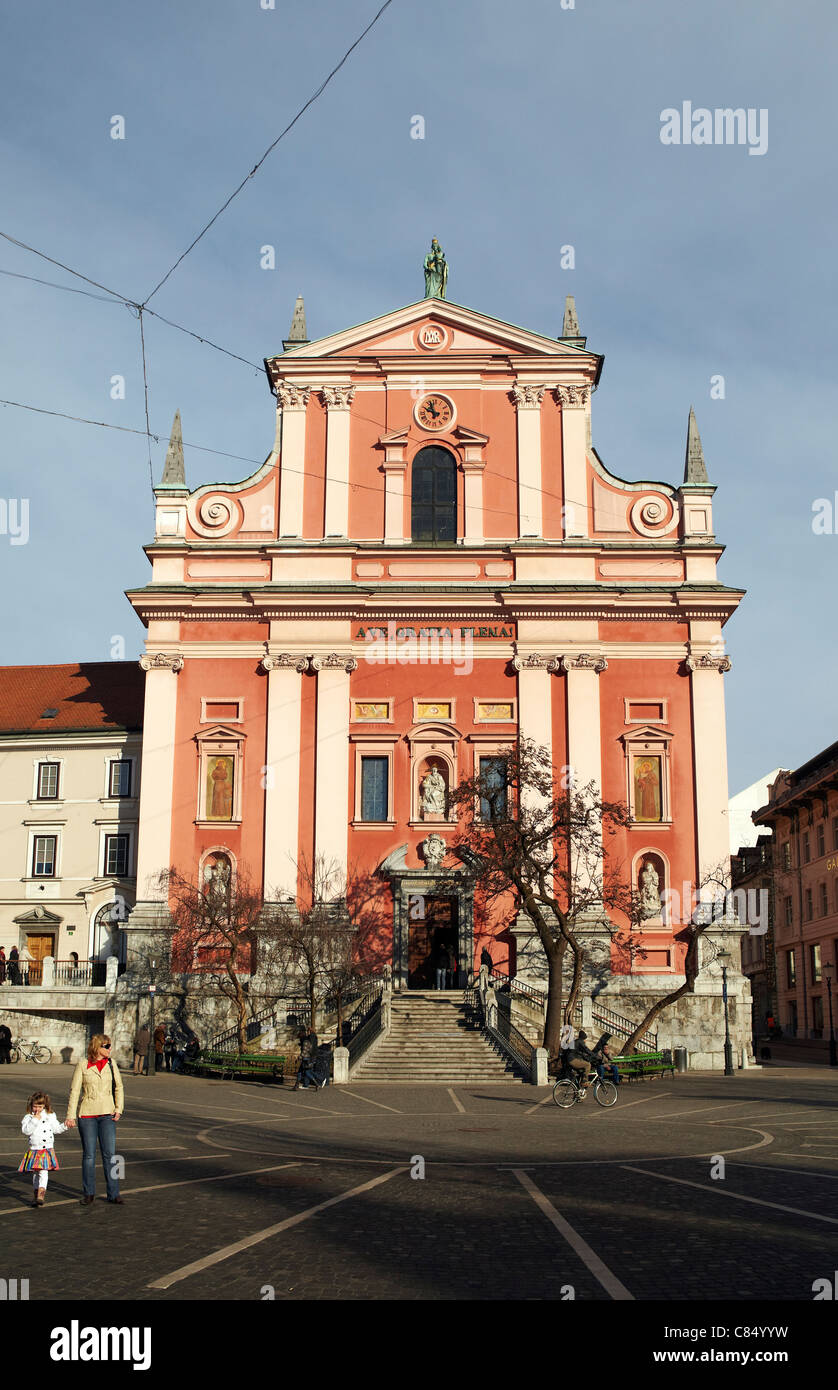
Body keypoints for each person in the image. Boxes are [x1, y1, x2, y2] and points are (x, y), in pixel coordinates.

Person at [65, 1033, 124, 1205]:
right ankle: (88, 1193)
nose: (109, 1049)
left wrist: (118, 1109)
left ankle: (114, 1193)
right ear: (97, 1047)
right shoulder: (83, 1065)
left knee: (111, 1155)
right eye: (106, 1046)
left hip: (107, 1113)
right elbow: (75, 1091)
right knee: (89, 1156)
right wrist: (70, 1115)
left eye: (110, 1046)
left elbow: (119, 1087)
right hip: (88, 1114)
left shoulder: (112, 1065)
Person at [19, 1091, 66, 1207]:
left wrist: (65, 1125)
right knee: (36, 1173)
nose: (37, 1109)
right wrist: (34, 1119)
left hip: (47, 1149)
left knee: (43, 1172)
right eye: (35, 1106)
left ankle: (41, 1195)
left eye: (40, 1106)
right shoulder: (28, 1117)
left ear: (44, 1105)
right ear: (31, 1105)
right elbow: (26, 1131)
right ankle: (36, 1195)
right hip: (35, 1149)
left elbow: (56, 1129)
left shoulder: (50, 1115)